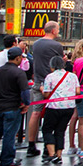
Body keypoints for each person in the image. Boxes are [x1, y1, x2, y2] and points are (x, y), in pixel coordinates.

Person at [0, 47, 30, 166]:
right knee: (9, 134)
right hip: (12, 107)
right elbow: (25, 91)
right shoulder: (19, 73)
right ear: (18, 58)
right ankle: (6, 160)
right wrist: (26, 104)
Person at [23, 22, 64, 158]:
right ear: (53, 30)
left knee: (35, 113)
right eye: (58, 29)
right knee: (51, 114)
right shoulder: (56, 45)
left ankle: (31, 144)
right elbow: (59, 61)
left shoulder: (36, 44)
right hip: (52, 83)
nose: (58, 31)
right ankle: (49, 146)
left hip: (38, 81)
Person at [38, 56, 77, 165]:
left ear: (52, 66)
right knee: (60, 131)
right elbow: (77, 91)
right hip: (69, 106)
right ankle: (59, 155)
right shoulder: (72, 76)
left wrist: (41, 89)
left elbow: (46, 94)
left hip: (54, 107)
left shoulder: (50, 77)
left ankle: (51, 154)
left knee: (47, 129)